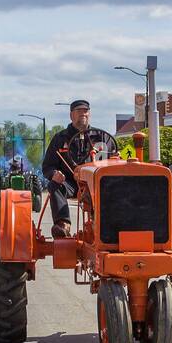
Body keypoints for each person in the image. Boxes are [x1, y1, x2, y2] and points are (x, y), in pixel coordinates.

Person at [42, 100, 118, 239]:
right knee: (55, 185)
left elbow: (114, 159)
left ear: (89, 114)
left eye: (85, 111)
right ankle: (63, 224)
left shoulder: (102, 137)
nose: (83, 114)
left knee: (113, 188)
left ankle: (104, 228)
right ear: (71, 115)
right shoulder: (60, 138)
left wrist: (116, 159)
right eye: (79, 111)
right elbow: (47, 166)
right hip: (71, 182)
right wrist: (54, 174)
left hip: (96, 183)